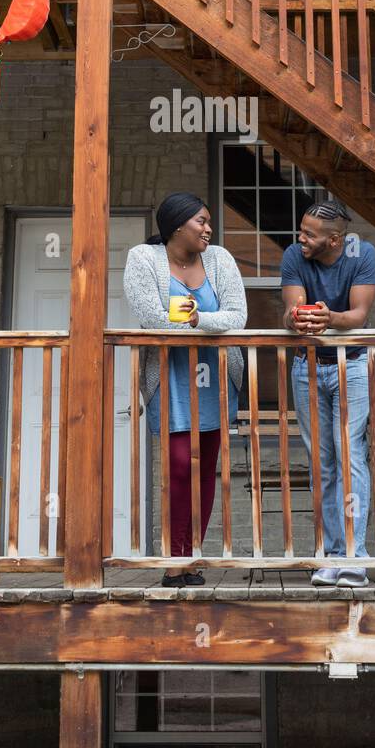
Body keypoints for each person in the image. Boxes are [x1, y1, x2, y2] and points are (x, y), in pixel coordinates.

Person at [123, 192, 247, 586]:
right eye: (202, 222)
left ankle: (190, 557)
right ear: (177, 225)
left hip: (216, 378)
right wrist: (198, 324)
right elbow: (151, 317)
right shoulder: (143, 259)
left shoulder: (220, 259)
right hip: (170, 375)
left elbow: (238, 317)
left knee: (204, 470)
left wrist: (198, 322)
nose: (209, 229)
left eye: (209, 222)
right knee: (179, 467)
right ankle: (174, 558)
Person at [281, 200, 375, 587]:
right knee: (321, 464)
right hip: (306, 367)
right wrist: (295, 317)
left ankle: (356, 557)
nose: (300, 238)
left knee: (349, 455)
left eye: (309, 234)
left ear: (335, 239)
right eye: (301, 229)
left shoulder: (363, 253)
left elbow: (358, 316)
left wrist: (331, 318)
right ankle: (330, 554)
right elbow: (290, 309)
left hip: (350, 365)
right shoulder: (294, 255)